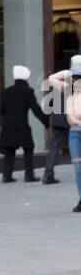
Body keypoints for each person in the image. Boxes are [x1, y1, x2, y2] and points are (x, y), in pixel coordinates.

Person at [0, 65, 49, 184]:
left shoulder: (6, 91)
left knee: (9, 151)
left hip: (8, 125)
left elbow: (1, 109)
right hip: (22, 125)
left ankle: (6, 176)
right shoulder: (27, 91)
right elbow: (35, 109)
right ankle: (29, 175)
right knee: (28, 148)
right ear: (25, 78)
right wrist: (45, 121)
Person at [45, 53, 81, 211]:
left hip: (71, 127)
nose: (75, 79)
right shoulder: (67, 87)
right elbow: (51, 78)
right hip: (73, 130)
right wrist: (68, 72)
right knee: (78, 167)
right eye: (74, 76)